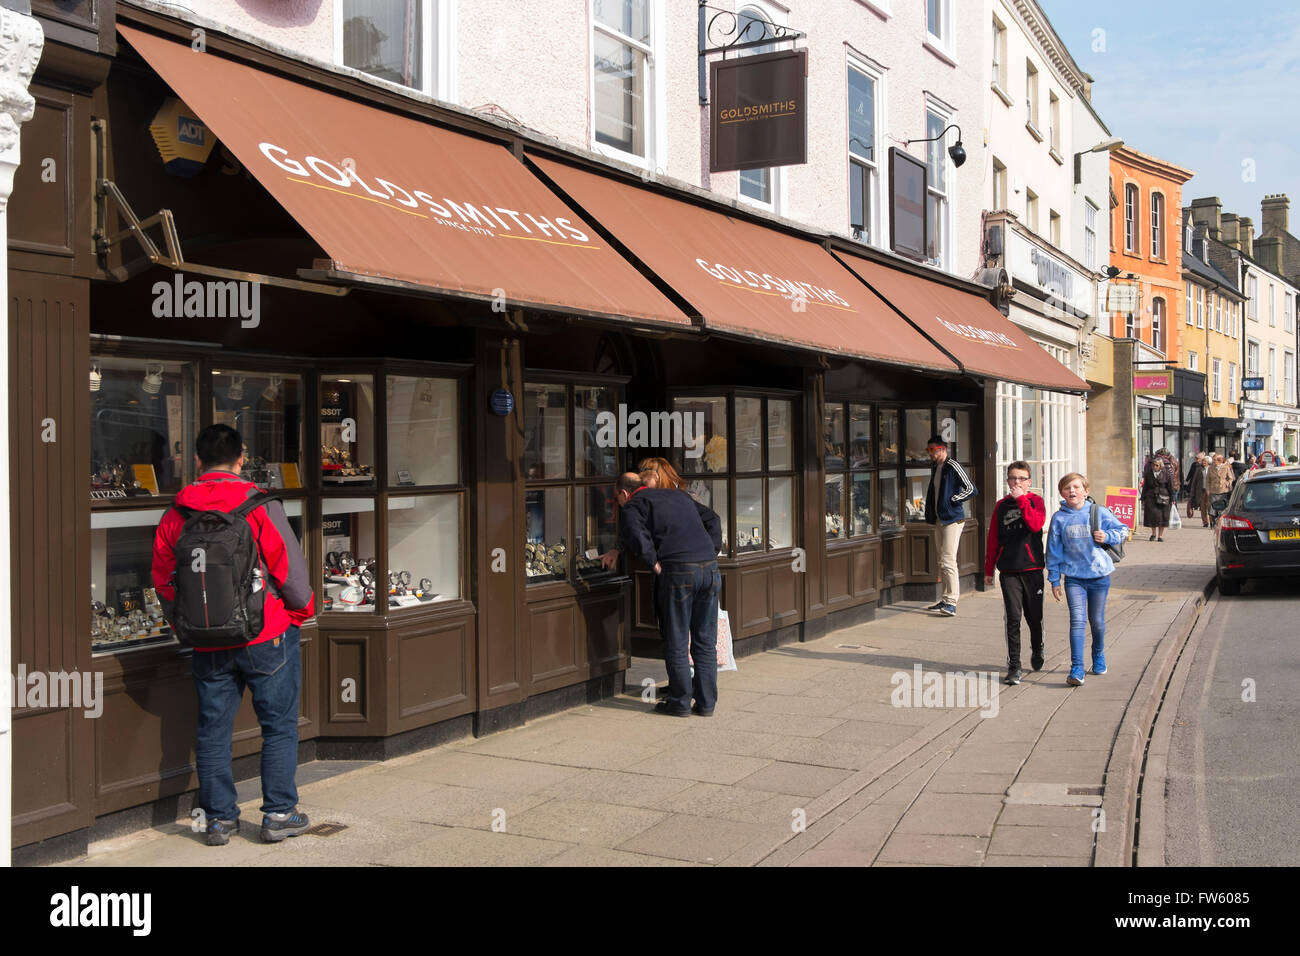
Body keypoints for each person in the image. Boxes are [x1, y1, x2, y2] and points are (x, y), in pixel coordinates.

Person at [152, 425, 315, 846]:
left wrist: (184, 627)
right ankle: (279, 813)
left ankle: (219, 821)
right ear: (241, 457)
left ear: (197, 461)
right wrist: (300, 613)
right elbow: (290, 569)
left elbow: (164, 581)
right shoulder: (259, 505)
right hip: (267, 634)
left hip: (207, 640)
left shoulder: (175, 513)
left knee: (212, 729)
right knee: (278, 726)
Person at [616, 471, 723, 717]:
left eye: (617, 500)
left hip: (677, 571)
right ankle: (706, 704)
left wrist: (653, 563)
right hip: (709, 568)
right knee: (705, 641)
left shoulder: (634, 504)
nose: (619, 505)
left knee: (676, 640)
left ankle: (680, 702)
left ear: (624, 493)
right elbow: (713, 519)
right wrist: (711, 550)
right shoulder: (679, 496)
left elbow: (635, 535)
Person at [1046, 472, 1127, 687]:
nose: (1072, 491)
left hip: (1099, 576)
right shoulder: (1059, 518)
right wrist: (1054, 580)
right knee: (1077, 621)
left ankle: (1098, 654)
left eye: (1076, 487)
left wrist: (1108, 536)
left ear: (1086, 491)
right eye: (1066, 488)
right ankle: (1077, 668)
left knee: (1097, 621)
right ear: (1061, 493)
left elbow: (1123, 530)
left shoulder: (1098, 512)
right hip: (1074, 578)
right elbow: (1053, 551)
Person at [984, 461, 1048, 685]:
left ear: (1029, 482)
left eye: (1021, 478)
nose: (1017, 482)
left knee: (1034, 616)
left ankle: (1038, 646)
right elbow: (993, 539)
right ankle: (1014, 666)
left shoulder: (1036, 502)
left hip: (1032, 568)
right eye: (1013, 478)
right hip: (1009, 569)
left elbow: (1035, 524)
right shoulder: (1001, 506)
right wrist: (988, 568)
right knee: (1013, 618)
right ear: (1007, 481)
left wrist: (1022, 500)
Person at [923, 435, 977, 617]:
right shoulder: (936, 467)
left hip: (953, 519)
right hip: (940, 518)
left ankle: (952, 602)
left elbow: (971, 489)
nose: (929, 453)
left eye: (932, 450)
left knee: (948, 559)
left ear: (942, 449)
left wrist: (954, 499)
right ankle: (945, 599)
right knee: (942, 560)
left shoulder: (953, 465)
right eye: (928, 450)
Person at [1141, 454, 1174, 541]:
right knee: (1152, 516)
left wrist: (1172, 498)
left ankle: (1160, 536)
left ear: (1160, 465)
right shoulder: (1148, 474)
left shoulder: (1166, 474)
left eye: (1156, 465)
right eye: (1153, 465)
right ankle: (1153, 534)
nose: (1155, 466)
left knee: (1162, 516)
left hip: (1163, 497)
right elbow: (1145, 487)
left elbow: (1170, 487)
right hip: (1151, 496)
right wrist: (1143, 497)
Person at [1186, 453, 1211, 527]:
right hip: (1201, 491)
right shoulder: (1199, 469)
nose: (1203, 462)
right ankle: (1205, 522)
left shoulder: (1211, 469)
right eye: (1203, 461)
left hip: (1210, 491)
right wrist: (1192, 491)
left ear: (1208, 462)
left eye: (1205, 461)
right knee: (1203, 507)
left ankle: (1211, 520)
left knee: (1210, 506)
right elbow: (1194, 481)